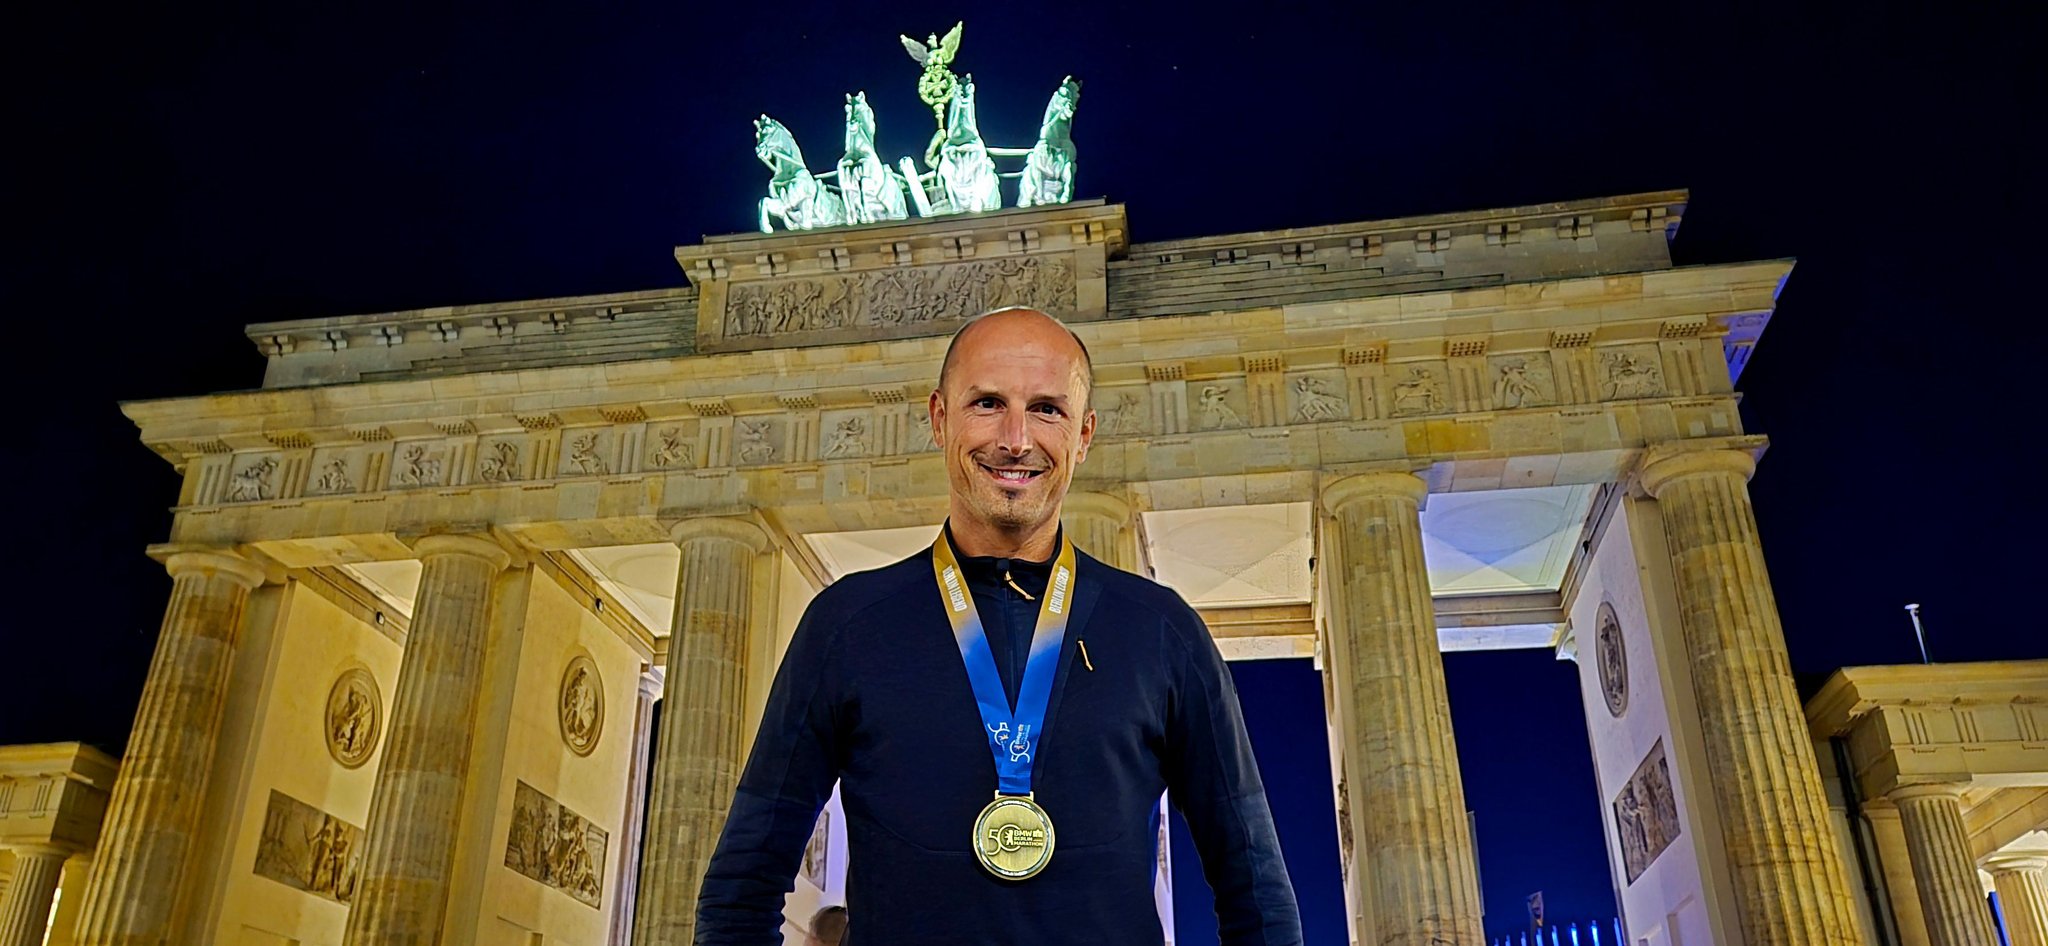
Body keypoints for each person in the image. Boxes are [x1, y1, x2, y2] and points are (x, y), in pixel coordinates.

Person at [696, 307, 1302, 944]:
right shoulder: (847, 625)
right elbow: (741, 891)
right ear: (939, 417)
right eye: (987, 403)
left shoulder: (1162, 632)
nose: (1015, 439)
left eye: (1047, 408)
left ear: (1085, 433)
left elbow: (1255, 892)